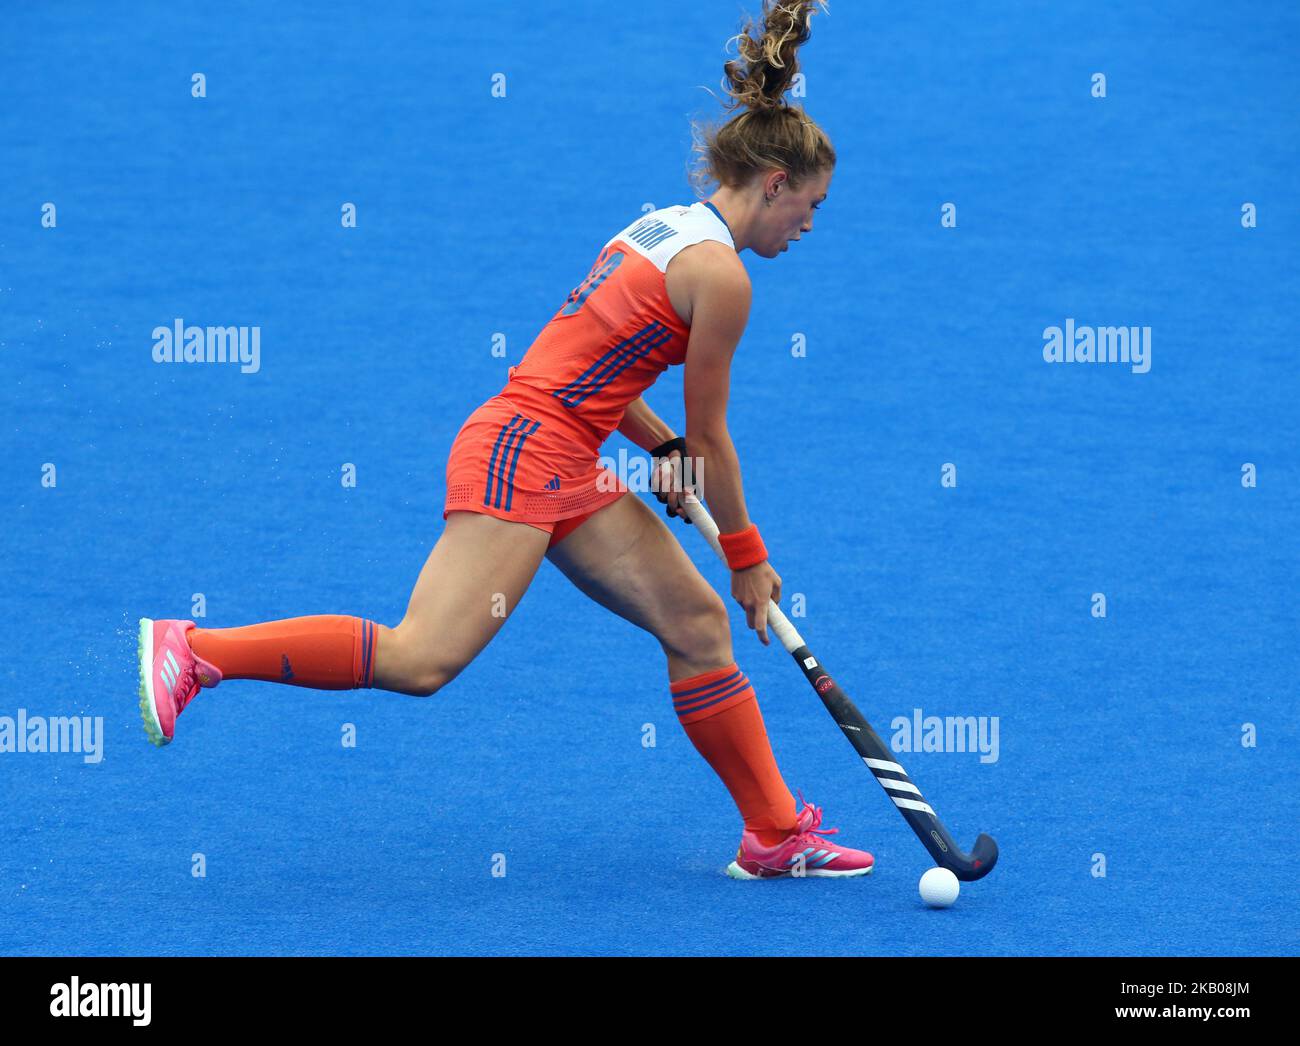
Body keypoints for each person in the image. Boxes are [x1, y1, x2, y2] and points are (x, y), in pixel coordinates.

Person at [139, 0, 872, 880]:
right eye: (811, 206)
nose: (810, 227)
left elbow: (590, 366)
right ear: (774, 184)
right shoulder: (721, 277)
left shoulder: (657, 228)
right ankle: (196, 651)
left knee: (696, 624)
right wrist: (747, 553)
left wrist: (657, 442)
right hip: (524, 455)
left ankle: (773, 833)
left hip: (557, 450)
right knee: (421, 659)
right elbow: (714, 428)